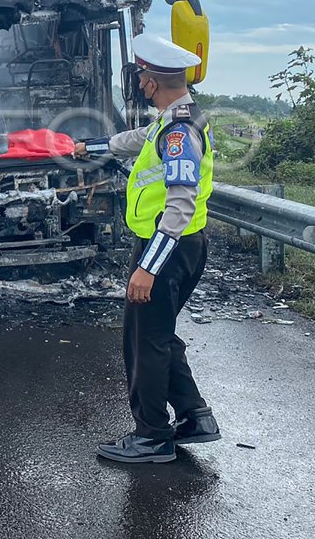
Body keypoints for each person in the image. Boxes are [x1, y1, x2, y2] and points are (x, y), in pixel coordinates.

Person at [77, 33, 220, 464]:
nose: (139, 84)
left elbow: (179, 204)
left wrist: (147, 269)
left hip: (167, 249)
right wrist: (91, 146)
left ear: (152, 83)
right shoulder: (178, 118)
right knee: (158, 336)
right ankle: (195, 417)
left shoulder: (178, 134)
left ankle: (153, 437)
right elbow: (141, 138)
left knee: (144, 343)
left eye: (142, 77)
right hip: (181, 247)